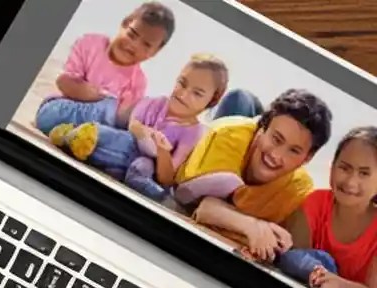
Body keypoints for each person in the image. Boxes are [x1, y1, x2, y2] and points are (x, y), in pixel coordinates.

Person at [178, 89, 332, 260]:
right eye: (277, 139)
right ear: (262, 128)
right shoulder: (225, 136)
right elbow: (202, 207)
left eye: (294, 151)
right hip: (229, 146)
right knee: (238, 98)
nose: (277, 156)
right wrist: (252, 226)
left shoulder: (299, 188)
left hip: (250, 149)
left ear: (307, 158)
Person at [49, 54, 228, 201]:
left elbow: (167, 177)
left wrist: (162, 151)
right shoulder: (157, 103)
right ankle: (72, 135)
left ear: (211, 101)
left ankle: (137, 182)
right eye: (182, 83)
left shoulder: (193, 132)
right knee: (118, 139)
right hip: (127, 144)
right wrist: (142, 131)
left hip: (146, 165)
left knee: (142, 165)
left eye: (197, 93)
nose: (183, 94)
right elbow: (133, 123)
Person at [34, 2, 175, 136]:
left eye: (146, 44)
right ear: (125, 23)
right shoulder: (90, 44)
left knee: (121, 130)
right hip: (62, 109)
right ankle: (79, 136)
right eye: (132, 34)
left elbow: (120, 120)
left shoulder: (138, 81)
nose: (134, 45)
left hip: (97, 129)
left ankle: (78, 139)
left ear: (155, 52)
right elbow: (63, 82)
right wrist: (92, 95)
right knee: (107, 108)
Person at [283, 126, 377, 288]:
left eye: (364, 173)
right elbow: (292, 260)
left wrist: (336, 284)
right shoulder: (316, 203)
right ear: (332, 166)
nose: (351, 181)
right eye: (344, 168)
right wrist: (316, 273)